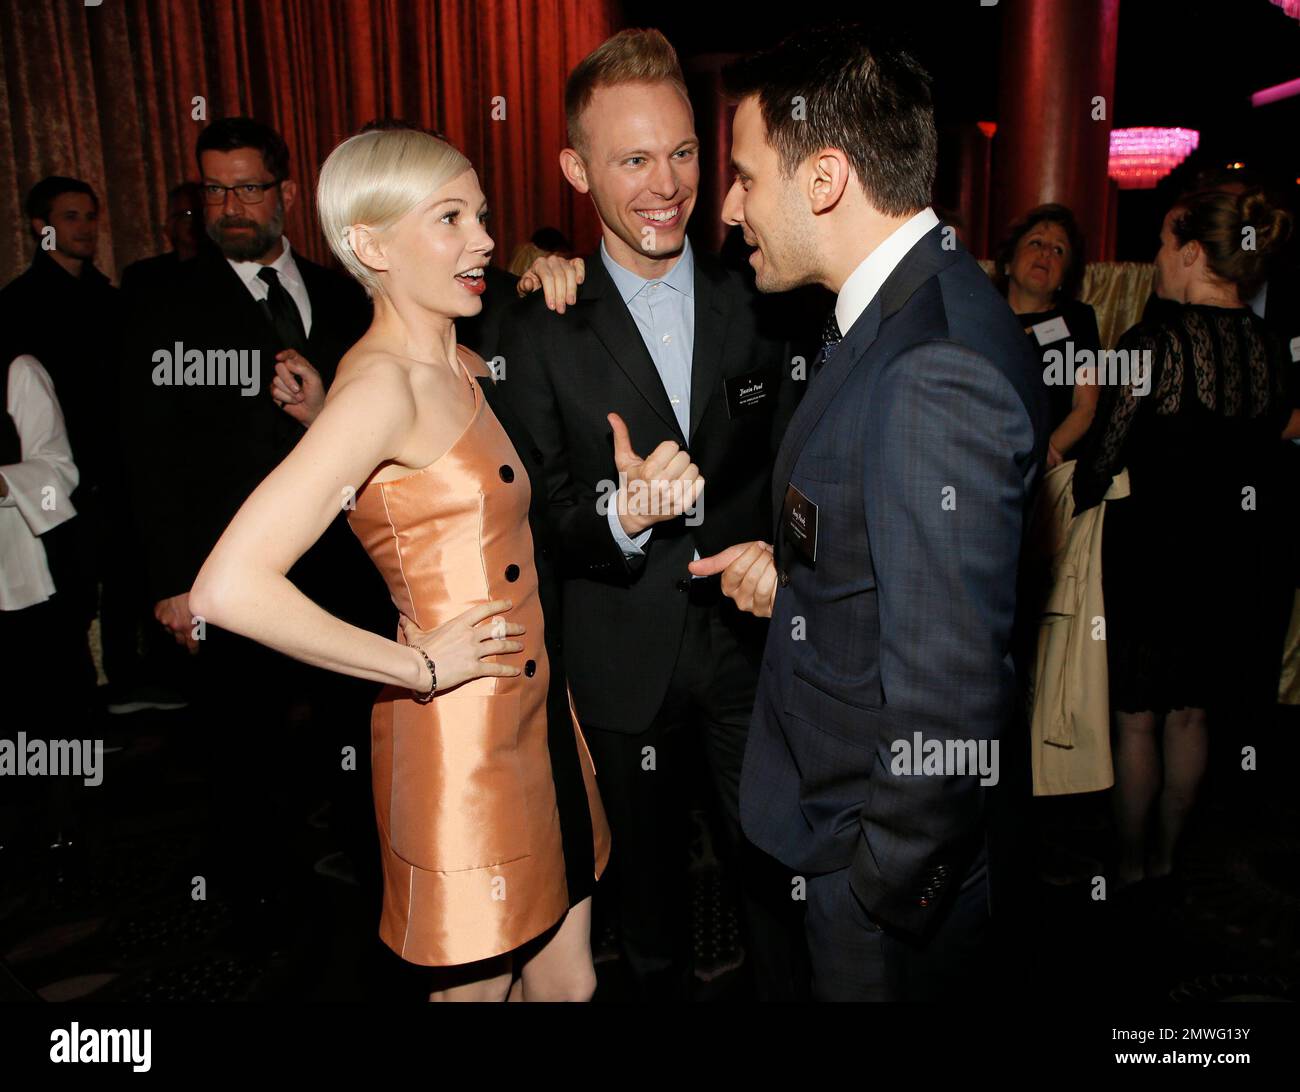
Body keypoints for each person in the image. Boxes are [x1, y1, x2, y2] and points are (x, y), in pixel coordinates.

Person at [189, 126, 609, 1001]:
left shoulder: (456, 359)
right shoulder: (379, 386)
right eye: (450, 218)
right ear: (370, 246)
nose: (485, 239)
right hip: (462, 743)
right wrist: (413, 664)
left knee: (568, 986)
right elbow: (228, 587)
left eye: (483, 216)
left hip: (538, 711)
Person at [696, 23, 1047, 1001]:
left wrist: (882, 893)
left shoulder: (931, 364)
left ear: (823, 180)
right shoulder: (910, 305)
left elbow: (951, 700)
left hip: (878, 885)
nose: (727, 208)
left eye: (743, 176)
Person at [497, 28, 807, 1001]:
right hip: (618, 658)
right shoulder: (537, 324)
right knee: (647, 908)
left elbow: (803, 464)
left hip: (751, 649)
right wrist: (620, 513)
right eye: (631, 159)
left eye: (680, 152)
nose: (664, 183)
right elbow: (537, 515)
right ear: (575, 169)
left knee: (777, 882)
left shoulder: (760, 296)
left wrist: (790, 557)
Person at [121, 116, 386, 943]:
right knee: (245, 755)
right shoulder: (159, 299)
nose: (231, 206)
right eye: (214, 189)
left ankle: (378, 887)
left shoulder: (345, 292)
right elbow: (143, 451)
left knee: (360, 742)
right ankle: (266, 917)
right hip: (229, 576)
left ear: (287, 193)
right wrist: (172, 582)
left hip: (346, 570)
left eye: (249, 188)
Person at [1072, 187, 1295, 892]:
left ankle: (1131, 864)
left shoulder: (1154, 344)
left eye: (1166, 247)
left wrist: (1074, 498)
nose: (1157, 262)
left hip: (1153, 556)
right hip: (1233, 560)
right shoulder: (1268, 350)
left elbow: (1103, 457)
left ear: (1194, 253)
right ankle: (1169, 857)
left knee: (1137, 721)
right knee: (1193, 716)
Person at [0, 176, 118, 696]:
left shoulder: (113, 301)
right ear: (39, 227)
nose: (86, 228)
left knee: (119, 587)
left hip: (112, 470)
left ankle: (122, 693)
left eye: (90, 216)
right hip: (52, 482)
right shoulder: (15, 306)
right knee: (64, 602)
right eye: (71, 217)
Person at [995, 203, 1101, 466]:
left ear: (1064, 276)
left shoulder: (1079, 321)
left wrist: (1046, 450)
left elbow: (1087, 407)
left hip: (1048, 465)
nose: (1045, 254)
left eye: (1058, 250)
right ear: (1009, 261)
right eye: (1036, 243)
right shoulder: (982, 314)